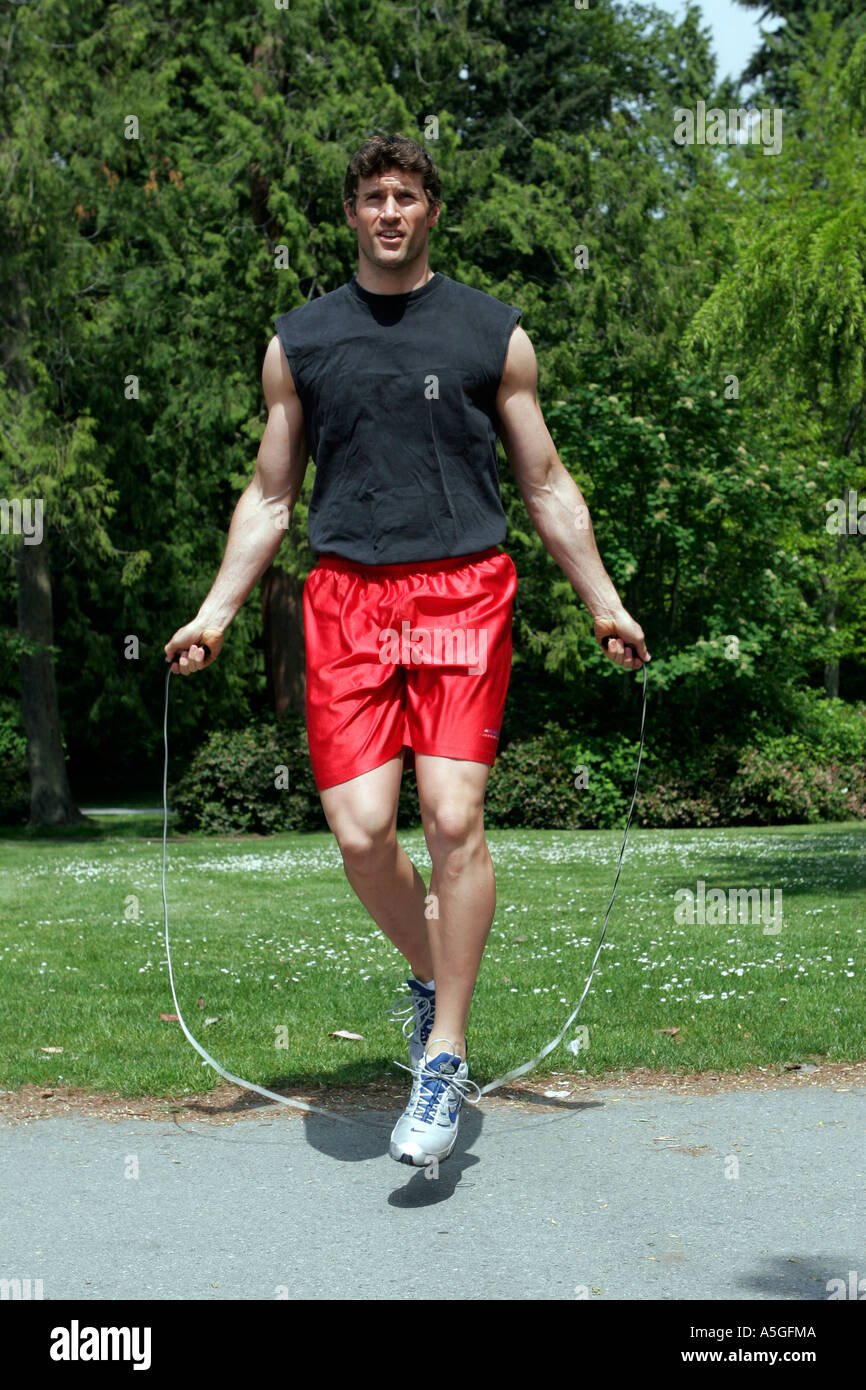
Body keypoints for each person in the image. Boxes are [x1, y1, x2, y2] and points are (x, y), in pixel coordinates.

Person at [165, 132, 650, 1168]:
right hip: (344, 597)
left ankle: (444, 1050)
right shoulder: (300, 341)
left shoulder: (491, 333)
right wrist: (213, 612)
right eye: (372, 198)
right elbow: (267, 496)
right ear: (351, 214)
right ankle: (437, 974)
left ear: (430, 210)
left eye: (407, 196)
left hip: (463, 588)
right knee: (359, 833)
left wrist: (601, 602)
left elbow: (547, 483)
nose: (389, 212)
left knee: (452, 812)